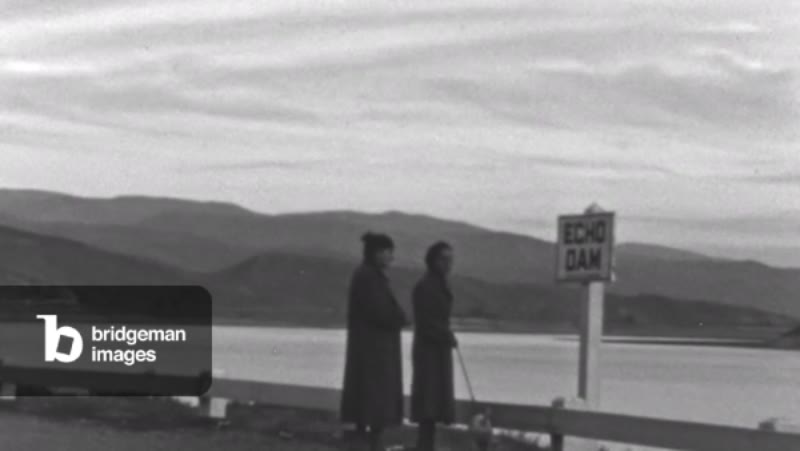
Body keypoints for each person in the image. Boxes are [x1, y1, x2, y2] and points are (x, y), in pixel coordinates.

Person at [340, 232, 409, 451]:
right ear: (377, 253)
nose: (392, 258)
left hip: (371, 350)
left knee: (367, 398)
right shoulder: (369, 277)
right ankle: (371, 443)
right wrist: (401, 318)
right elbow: (381, 313)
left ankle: (368, 441)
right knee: (374, 398)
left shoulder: (368, 275)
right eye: (389, 252)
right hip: (374, 352)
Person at [410, 241, 457, 451]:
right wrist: (446, 336)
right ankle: (425, 448)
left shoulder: (438, 284)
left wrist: (446, 336)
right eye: (444, 259)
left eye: (450, 260)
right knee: (429, 406)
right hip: (429, 353)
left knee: (433, 405)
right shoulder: (426, 286)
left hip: (437, 351)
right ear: (433, 260)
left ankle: (427, 447)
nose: (448, 264)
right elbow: (427, 323)